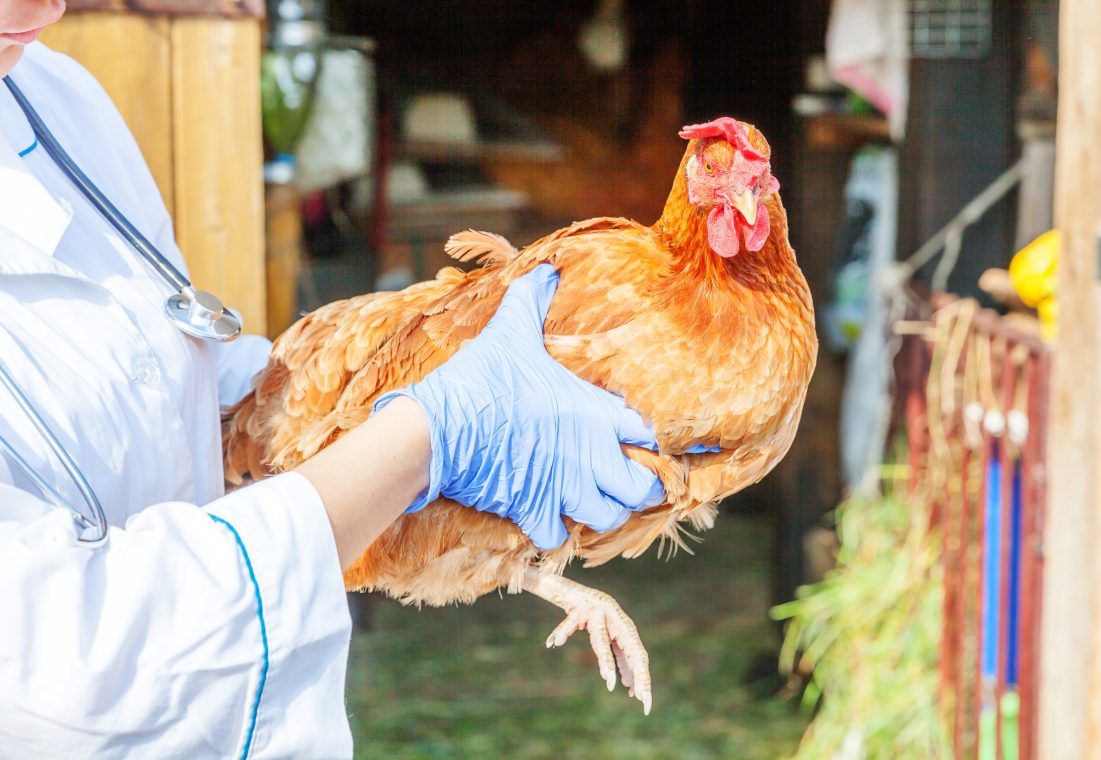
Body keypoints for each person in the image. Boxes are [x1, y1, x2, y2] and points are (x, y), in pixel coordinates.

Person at [0, 2, 667, 756]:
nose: (48, 6)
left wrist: (366, 395)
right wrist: (421, 434)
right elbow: (77, 662)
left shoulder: (55, 98)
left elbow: (164, 368)